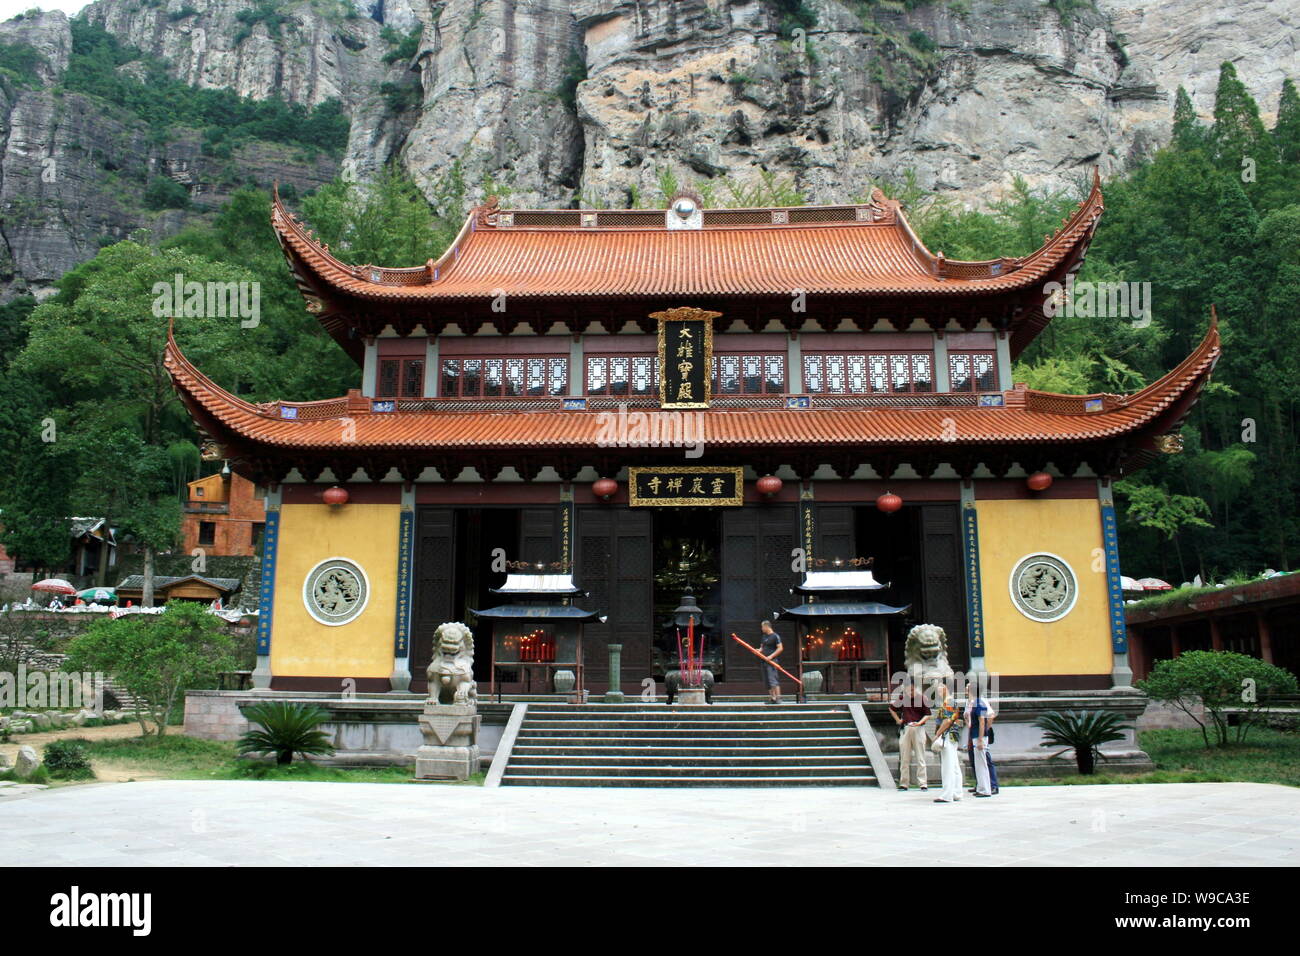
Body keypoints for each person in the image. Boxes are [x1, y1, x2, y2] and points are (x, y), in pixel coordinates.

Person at [888, 679, 931, 791]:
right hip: (906, 728)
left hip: (918, 728)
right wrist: (898, 720)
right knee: (904, 757)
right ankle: (904, 783)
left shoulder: (922, 698)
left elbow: (928, 714)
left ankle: (923, 783)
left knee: (920, 756)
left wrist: (919, 723)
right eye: (907, 690)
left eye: (911, 690)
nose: (910, 692)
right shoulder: (903, 698)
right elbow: (892, 708)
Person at [930, 681, 964, 803]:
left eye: (939, 689)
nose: (938, 692)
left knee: (947, 766)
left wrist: (937, 734)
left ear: (945, 689)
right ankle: (957, 792)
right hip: (952, 735)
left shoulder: (948, 702)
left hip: (947, 735)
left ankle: (947, 794)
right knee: (954, 765)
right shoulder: (950, 701)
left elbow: (947, 721)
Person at [963, 679, 994, 797]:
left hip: (979, 736)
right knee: (978, 763)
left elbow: (982, 722)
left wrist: (981, 739)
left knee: (982, 763)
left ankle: (986, 789)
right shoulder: (974, 703)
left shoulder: (979, 703)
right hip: (975, 735)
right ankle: (981, 787)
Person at [758, 620, 783, 704]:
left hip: (772, 661)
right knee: (767, 680)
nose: (761, 629)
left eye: (762, 627)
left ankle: (778, 698)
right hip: (764, 661)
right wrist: (757, 651)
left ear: (766, 626)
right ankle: (773, 698)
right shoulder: (763, 637)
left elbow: (780, 648)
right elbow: (761, 648)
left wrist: (771, 656)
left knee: (773, 679)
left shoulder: (775, 636)